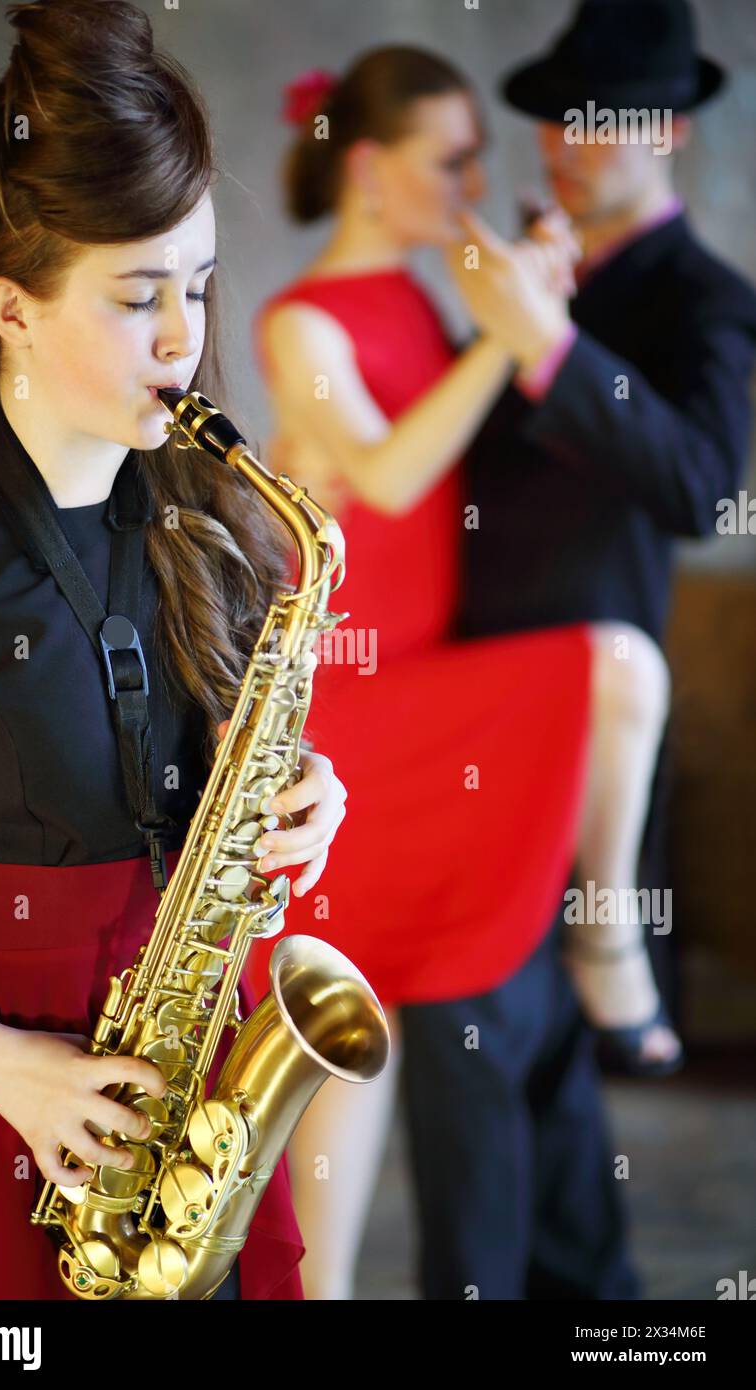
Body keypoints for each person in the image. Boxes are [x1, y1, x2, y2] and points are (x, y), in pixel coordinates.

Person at [0, 0, 350, 1302]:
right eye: (138, 294)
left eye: (197, 286)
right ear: (11, 309)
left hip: (181, 1123)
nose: (182, 338)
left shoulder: (216, 520)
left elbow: (235, 796)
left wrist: (305, 806)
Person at [246, 47, 639, 1300]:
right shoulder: (299, 318)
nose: (474, 179)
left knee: (377, 1019)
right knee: (348, 1041)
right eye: (451, 159)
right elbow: (393, 475)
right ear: (371, 167)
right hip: (356, 711)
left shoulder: (416, 304)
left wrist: (504, 322)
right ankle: (608, 939)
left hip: (425, 695)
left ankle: (607, 935)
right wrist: (510, 329)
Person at [448, 0, 756, 1075]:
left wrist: (546, 342)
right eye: (550, 120)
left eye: (595, 121)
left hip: (590, 728)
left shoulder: (705, 302)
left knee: (541, 1059)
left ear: (667, 130)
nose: (561, 144)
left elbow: (700, 487)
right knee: (497, 1061)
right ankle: (565, 1258)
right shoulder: (531, 268)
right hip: (464, 705)